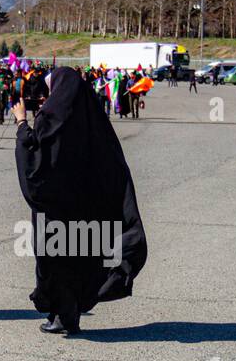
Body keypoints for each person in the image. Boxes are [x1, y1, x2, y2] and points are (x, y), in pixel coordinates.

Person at [13, 67, 147, 336]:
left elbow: (34, 159)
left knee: (56, 262)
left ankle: (64, 317)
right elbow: (113, 164)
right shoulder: (92, 119)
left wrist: (21, 122)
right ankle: (66, 315)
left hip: (55, 210)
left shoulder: (52, 118)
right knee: (79, 261)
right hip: (86, 210)